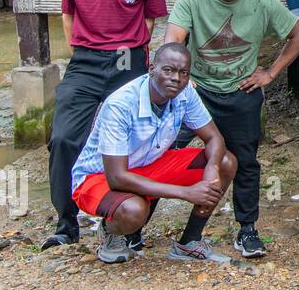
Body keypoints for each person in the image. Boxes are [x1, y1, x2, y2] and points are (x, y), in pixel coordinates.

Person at [165, 0, 299, 258]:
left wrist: (270, 73)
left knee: (245, 161)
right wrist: (180, 83)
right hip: (196, 92)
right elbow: (172, 40)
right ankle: (132, 225)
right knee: (159, 149)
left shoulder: (261, 2)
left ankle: (247, 230)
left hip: (241, 92)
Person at [41, 0, 166, 251]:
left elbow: (150, 20)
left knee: (136, 141)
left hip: (128, 60)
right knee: (64, 138)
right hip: (85, 60)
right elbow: (68, 14)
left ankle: (130, 221)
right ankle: (67, 222)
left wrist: (126, 47)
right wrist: (85, 50)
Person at [70, 43, 238, 264]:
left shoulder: (185, 93)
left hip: (147, 165)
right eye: (168, 70)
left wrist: (212, 169)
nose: (176, 78)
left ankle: (189, 243)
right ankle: (111, 231)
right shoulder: (120, 105)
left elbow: (214, 138)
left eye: (183, 73)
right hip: (99, 177)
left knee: (225, 161)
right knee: (133, 211)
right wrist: (185, 192)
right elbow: (117, 177)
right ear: (151, 69)